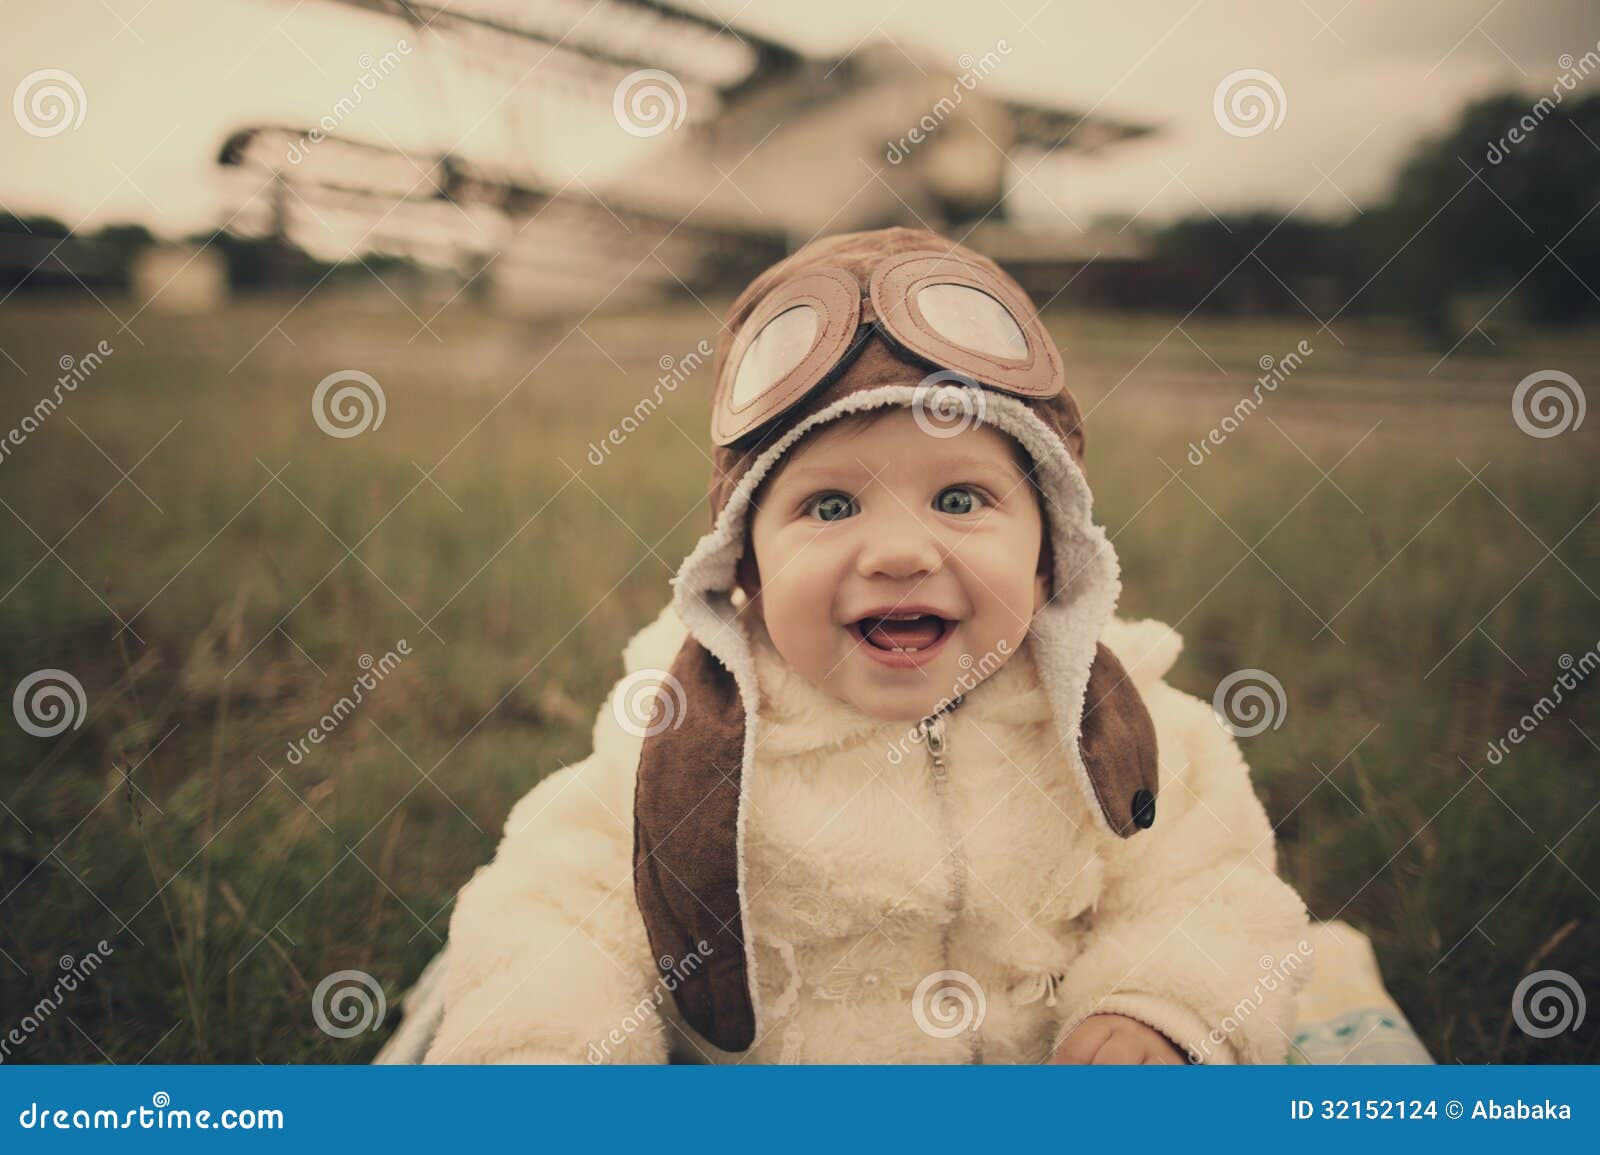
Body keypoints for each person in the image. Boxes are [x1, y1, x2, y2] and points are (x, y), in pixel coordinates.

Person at [424, 226, 1313, 1064]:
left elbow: (1211, 885)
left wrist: (1156, 1008)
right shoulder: (681, 734)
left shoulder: (1120, 725)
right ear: (748, 567)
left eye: (961, 499)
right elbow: (561, 905)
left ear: (1049, 555)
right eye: (832, 505)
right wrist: (544, 1047)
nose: (898, 552)